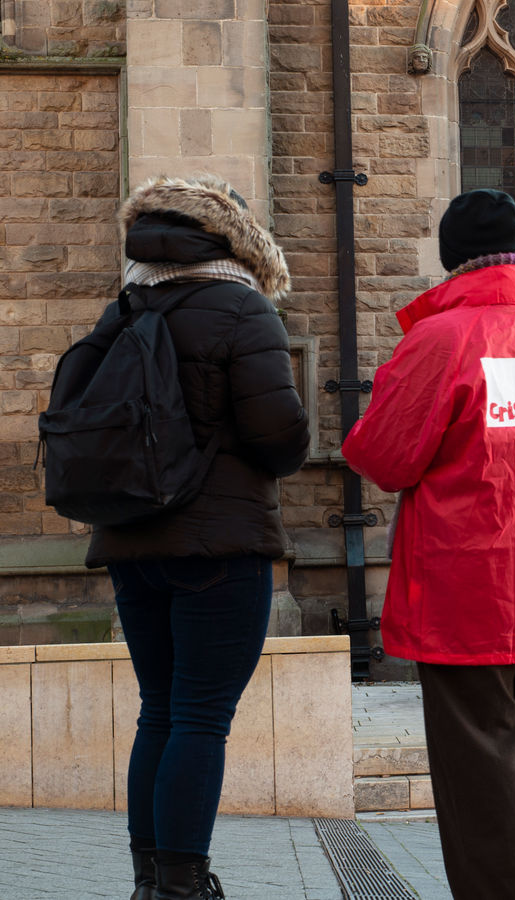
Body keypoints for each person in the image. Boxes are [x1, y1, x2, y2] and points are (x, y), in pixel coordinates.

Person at [341, 189, 515, 900]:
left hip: (469, 592)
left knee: (483, 773)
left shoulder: (440, 341)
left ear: (451, 258)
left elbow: (383, 457)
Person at [87, 174, 310, 900]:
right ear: (231, 240)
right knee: (201, 718)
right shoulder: (242, 309)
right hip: (220, 547)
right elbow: (280, 438)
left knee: (160, 709)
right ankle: (183, 887)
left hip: (130, 544)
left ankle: (151, 881)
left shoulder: (119, 312)